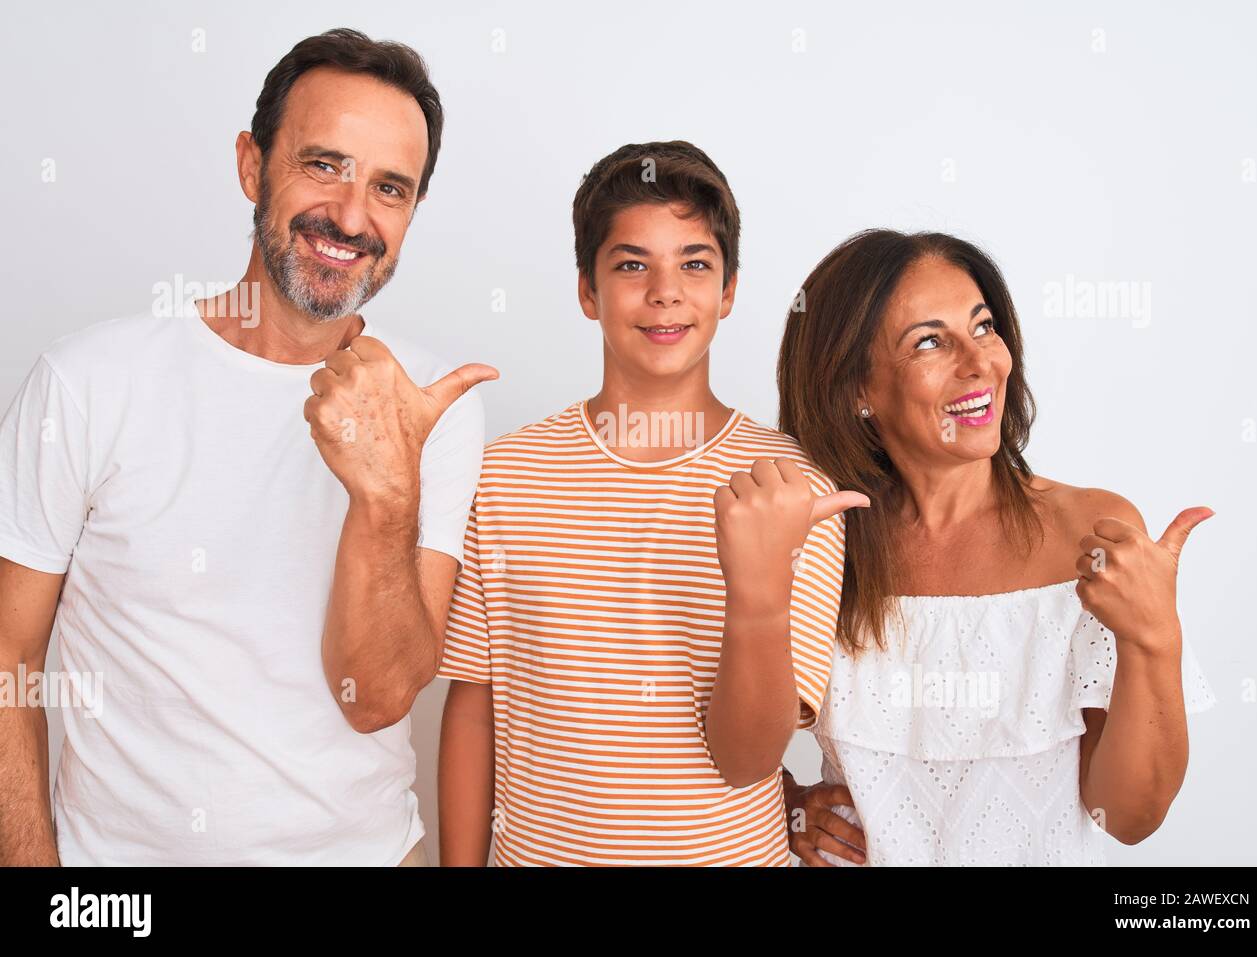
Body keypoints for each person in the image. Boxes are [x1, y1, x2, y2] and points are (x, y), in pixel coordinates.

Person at [0, 28, 493, 866]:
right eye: (324, 164)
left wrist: (385, 497)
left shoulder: (432, 402)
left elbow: (375, 697)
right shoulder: (88, 380)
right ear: (251, 166)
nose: (351, 216)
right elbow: (9, 655)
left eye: (389, 188)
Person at [436, 141, 868, 866]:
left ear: (728, 290)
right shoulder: (506, 473)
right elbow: (474, 707)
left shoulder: (793, 488)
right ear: (587, 289)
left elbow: (749, 757)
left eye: (695, 264)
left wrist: (756, 586)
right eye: (632, 264)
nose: (665, 291)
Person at [777, 229, 1215, 866]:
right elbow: (679, 727)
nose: (981, 362)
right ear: (856, 391)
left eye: (983, 328)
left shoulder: (1090, 535)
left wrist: (1155, 639)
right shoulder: (814, 539)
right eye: (930, 341)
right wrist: (783, 804)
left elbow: (1128, 817)